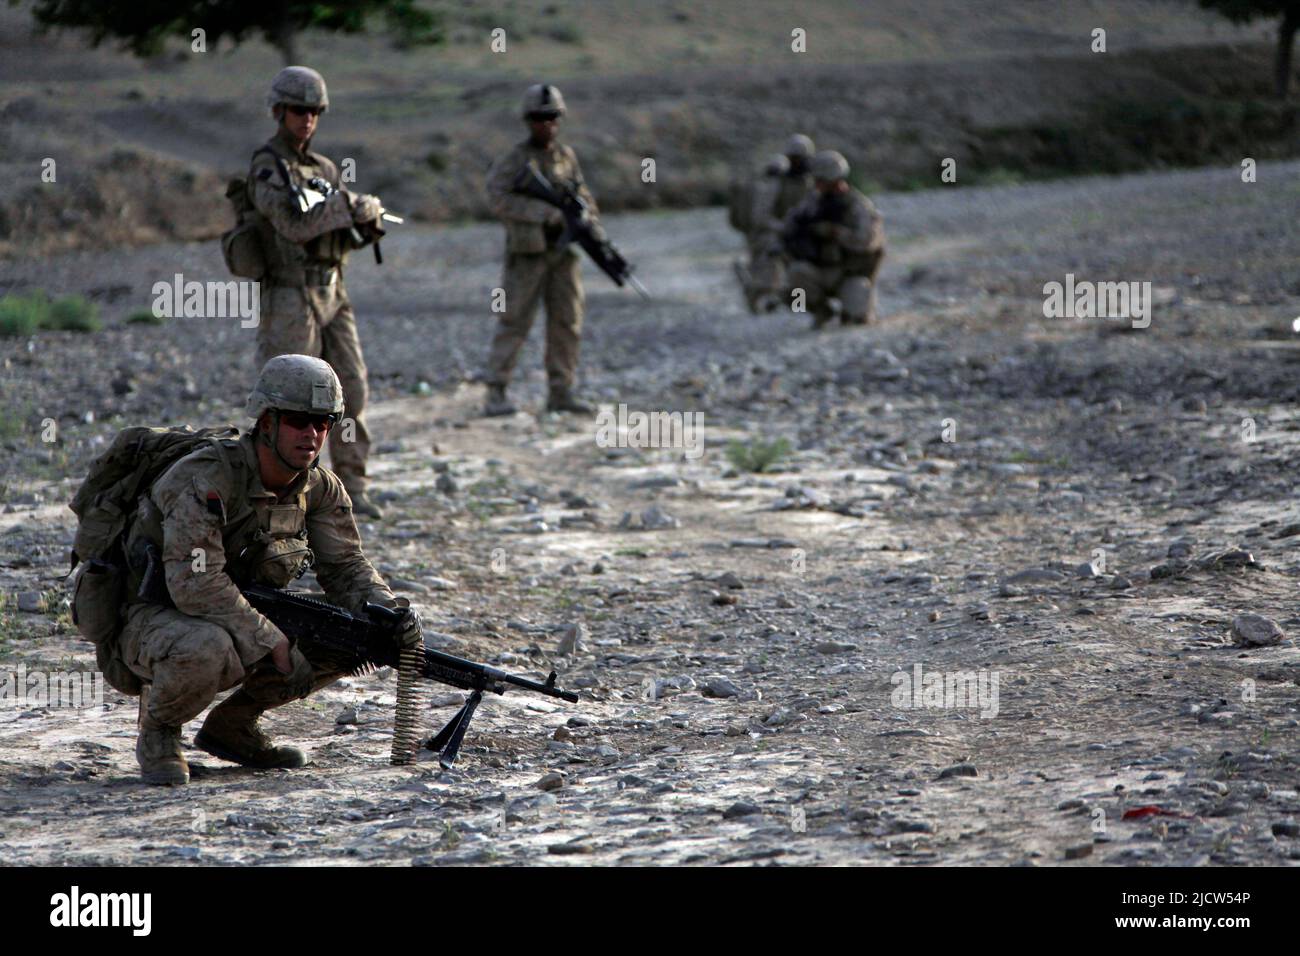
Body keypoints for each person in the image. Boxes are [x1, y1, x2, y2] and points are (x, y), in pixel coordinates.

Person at [119, 355, 419, 785]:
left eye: (323, 422)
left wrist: (388, 610)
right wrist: (271, 642)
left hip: (238, 606)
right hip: (152, 614)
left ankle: (233, 727)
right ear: (266, 422)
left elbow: (347, 567)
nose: (312, 435)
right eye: (299, 420)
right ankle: (160, 733)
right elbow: (194, 583)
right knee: (209, 645)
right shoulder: (206, 479)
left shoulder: (318, 487)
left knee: (356, 632)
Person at [247, 65, 387, 518]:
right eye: (297, 111)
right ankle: (277, 494)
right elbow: (291, 224)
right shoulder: (269, 166)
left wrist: (365, 220)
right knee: (290, 399)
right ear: (279, 111)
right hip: (289, 293)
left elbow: (341, 234)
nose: (306, 120)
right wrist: (344, 207)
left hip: (333, 287)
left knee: (352, 390)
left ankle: (351, 487)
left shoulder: (324, 168)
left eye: (313, 111)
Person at [482, 84, 602, 417]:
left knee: (567, 322)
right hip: (528, 255)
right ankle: (496, 390)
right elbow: (497, 196)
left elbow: (584, 195)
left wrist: (586, 218)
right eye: (538, 118)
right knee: (515, 320)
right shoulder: (515, 160)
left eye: (551, 118)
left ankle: (561, 390)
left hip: (563, 256)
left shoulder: (566, 156)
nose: (545, 125)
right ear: (527, 120)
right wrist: (544, 214)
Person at [782, 149, 885, 328]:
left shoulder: (857, 205)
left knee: (856, 322)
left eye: (819, 180)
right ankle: (822, 311)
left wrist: (836, 233)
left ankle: (855, 309)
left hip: (849, 273)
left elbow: (868, 240)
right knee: (795, 278)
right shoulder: (812, 203)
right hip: (819, 271)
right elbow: (790, 225)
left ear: (832, 180)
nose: (815, 184)